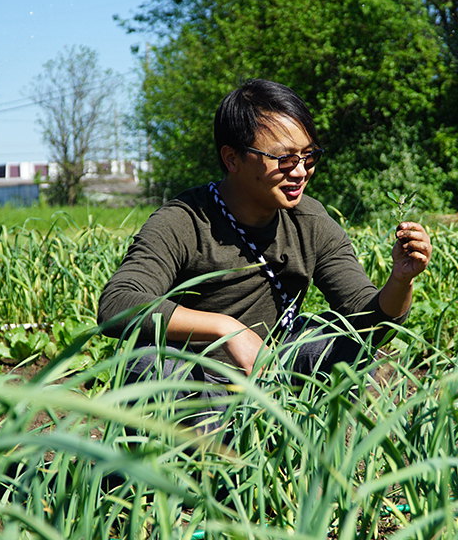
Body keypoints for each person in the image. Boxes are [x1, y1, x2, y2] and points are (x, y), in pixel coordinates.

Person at [96, 78, 432, 393]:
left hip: (273, 376)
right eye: (284, 159)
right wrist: (226, 328)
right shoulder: (184, 221)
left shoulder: (310, 221)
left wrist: (400, 281)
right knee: (146, 360)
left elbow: (368, 321)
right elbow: (118, 304)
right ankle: (185, 451)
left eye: (308, 156)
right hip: (194, 383)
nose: (300, 171)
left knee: (348, 347)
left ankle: (312, 449)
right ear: (232, 158)